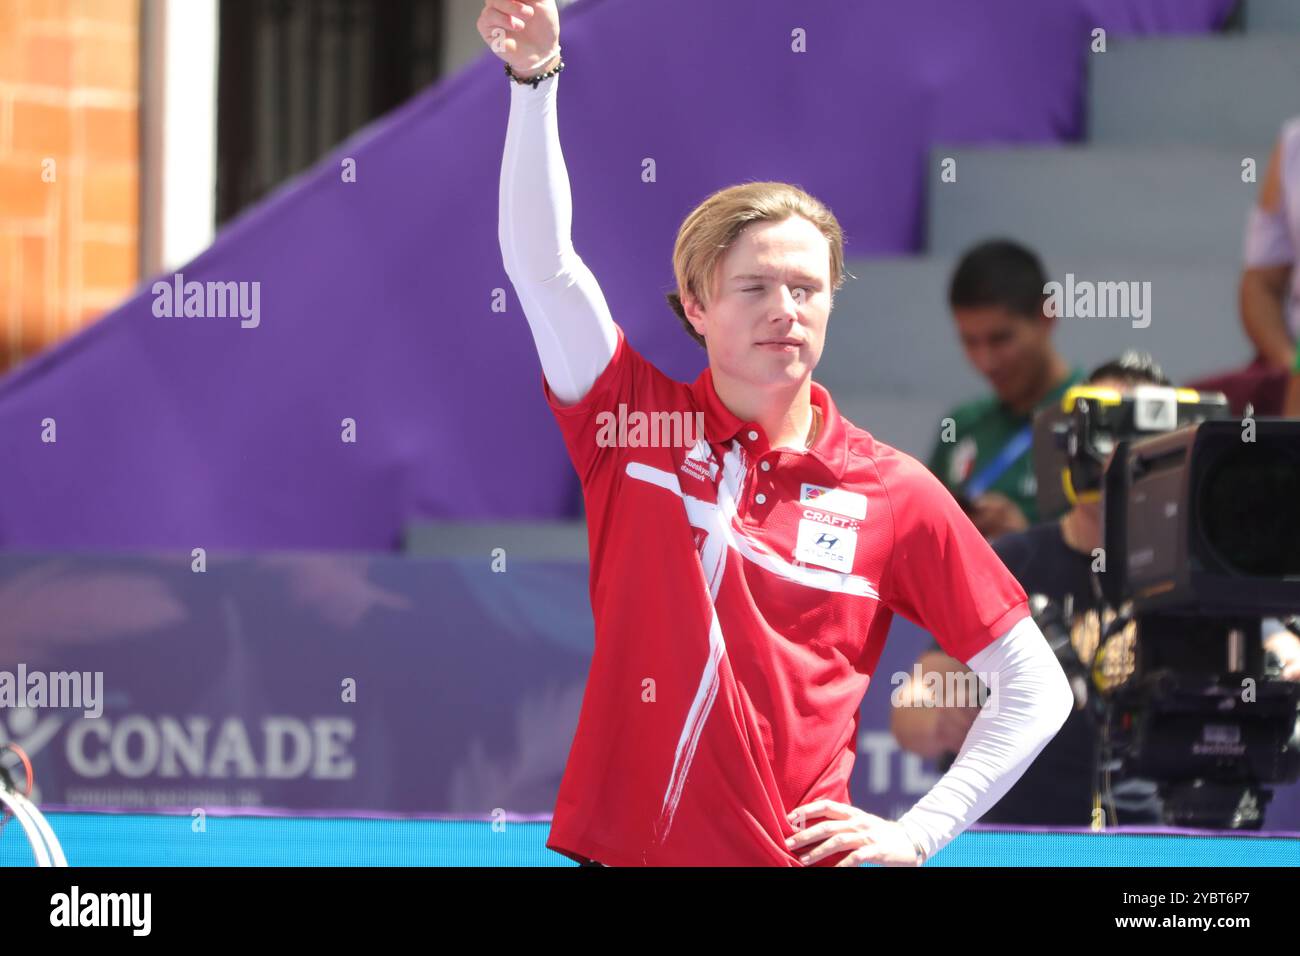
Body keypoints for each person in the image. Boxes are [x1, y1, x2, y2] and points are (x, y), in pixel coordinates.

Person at [482, 0, 1073, 867]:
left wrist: (917, 833)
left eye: (806, 288)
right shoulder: (629, 424)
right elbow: (542, 267)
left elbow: (1036, 689)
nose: (784, 311)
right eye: (754, 287)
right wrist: (534, 82)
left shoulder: (894, 492)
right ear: (696, 306)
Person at [894, 353, 1300, 826]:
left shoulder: (1214, 567)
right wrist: (938, 712)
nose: (1118, 456)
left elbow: (1279, 649)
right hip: (1020, 841)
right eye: (1106, 429)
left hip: (1167, 845)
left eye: (1145, 437)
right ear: (1068, 446)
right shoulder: (1011, 561)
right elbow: (914, 705)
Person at [928, 240, 1085, 539]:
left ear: (1047, 316)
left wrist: (1027, 541)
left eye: (1000, 339)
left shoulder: (1099, 418)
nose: (986, 362)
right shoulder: (961, 425)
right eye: (970, 342)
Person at [1191, 115, 1299, 415]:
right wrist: (1291, 363)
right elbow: (1261, 286)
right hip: (1294, 371)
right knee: (1193, 419)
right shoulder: (1295, 145)